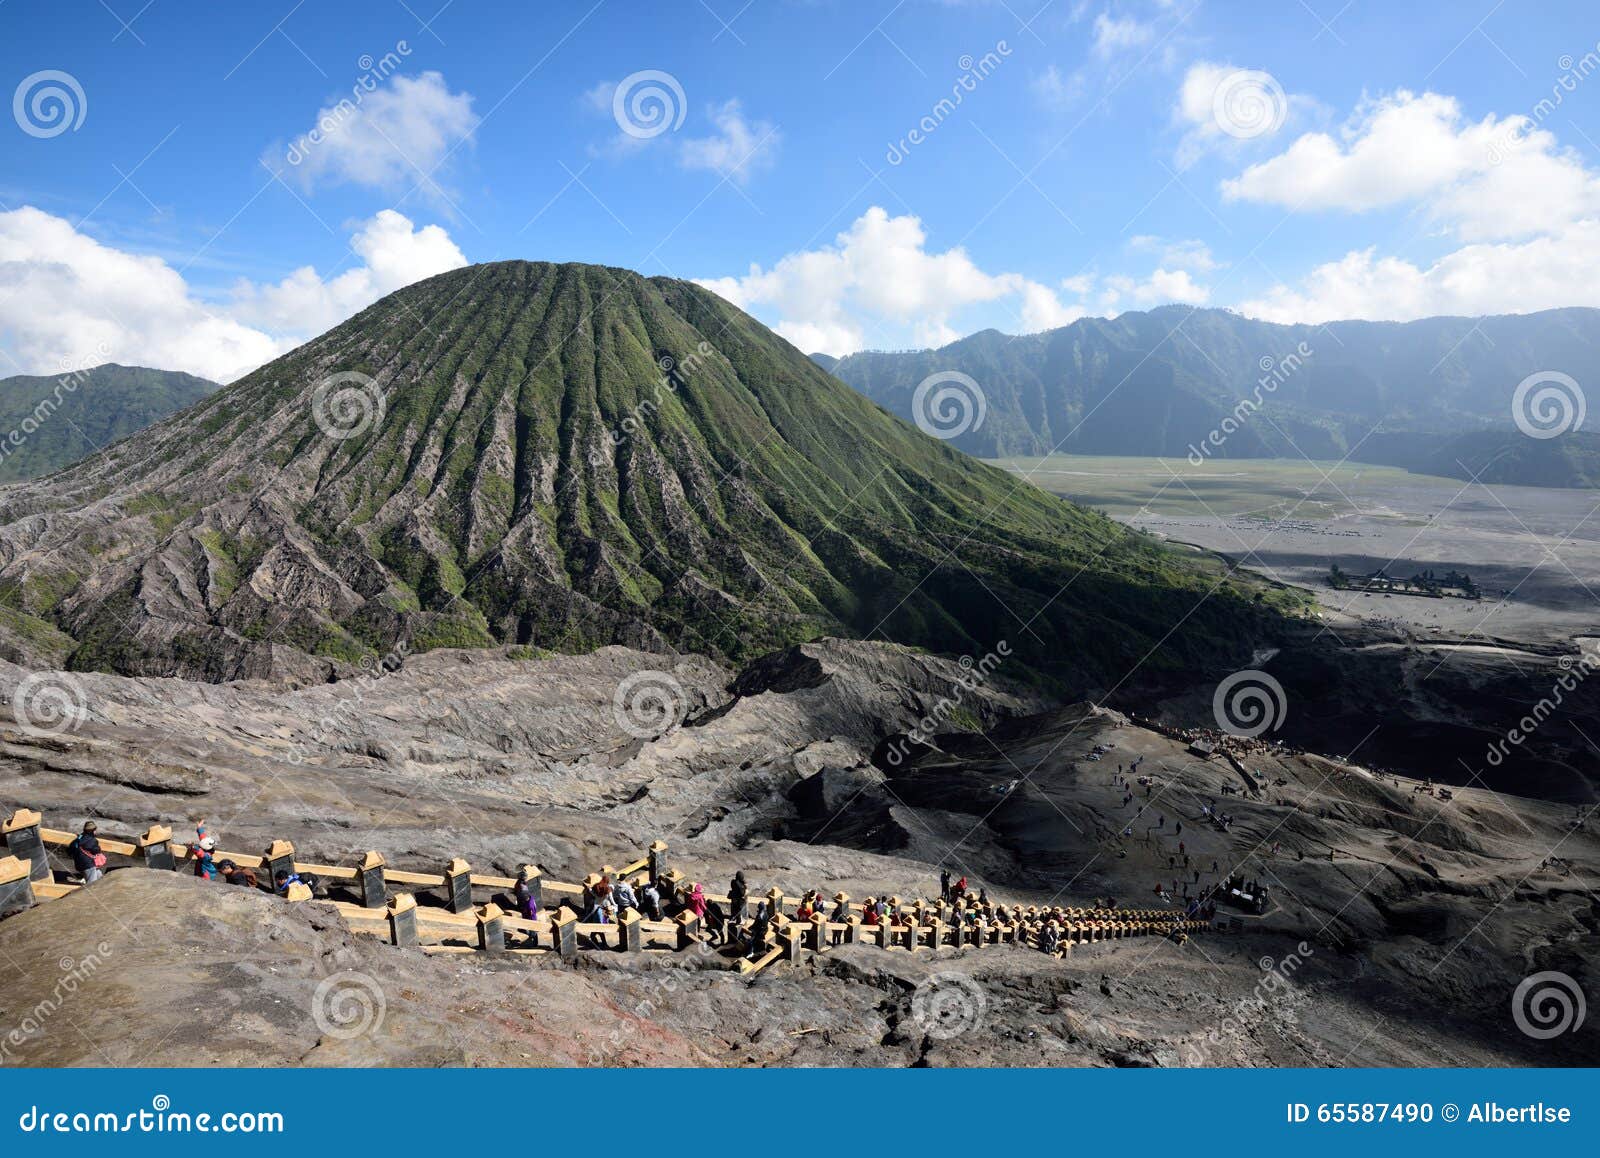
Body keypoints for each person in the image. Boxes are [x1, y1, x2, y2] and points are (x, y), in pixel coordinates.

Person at [68, 821, 105, 885]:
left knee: (99, 875)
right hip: (88, 864)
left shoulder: (79, 838)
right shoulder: (92, 840)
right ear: (93, 831)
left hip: (79, 864)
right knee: (91, 884)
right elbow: (96, 850)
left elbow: (70, 849)